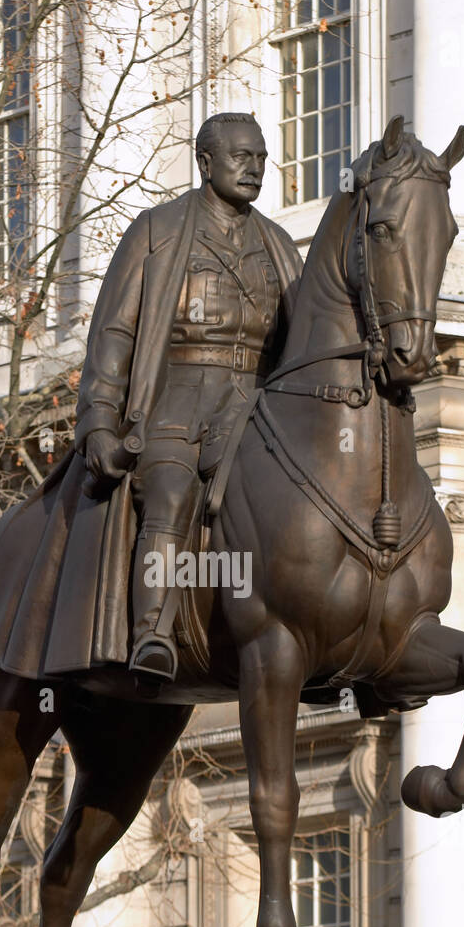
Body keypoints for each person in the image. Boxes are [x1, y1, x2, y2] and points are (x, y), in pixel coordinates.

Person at [75, 113, 302, 681]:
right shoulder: (158, 231)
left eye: (261, 157)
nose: (254, 169)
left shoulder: (277, 245)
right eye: (241, 157)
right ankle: (154, 632)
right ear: (205, 164)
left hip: (253, 408)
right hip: (174, 404)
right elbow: (115, 332)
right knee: (172, 492)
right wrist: (100, 420)